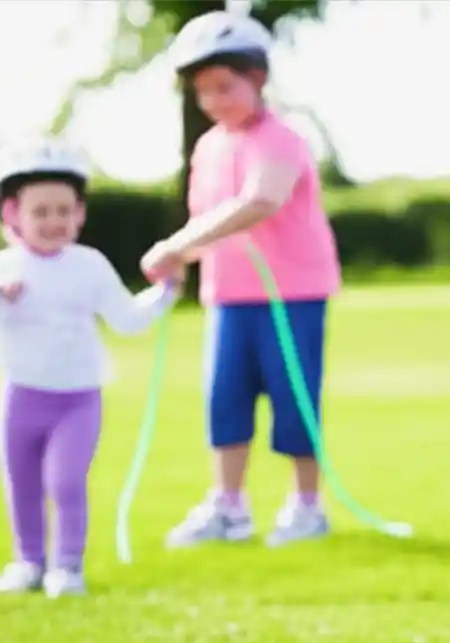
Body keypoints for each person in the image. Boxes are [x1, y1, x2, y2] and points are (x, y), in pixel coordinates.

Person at [139, 10, 342, 549]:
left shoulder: (282, 139)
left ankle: (307, 506)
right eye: (203, 92)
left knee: (293, 398)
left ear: (257, 79)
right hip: (228, 296)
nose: (214, 101)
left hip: (292, 294)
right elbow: (205, 221)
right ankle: (228, 506)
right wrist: (179, 261)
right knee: (224, 400)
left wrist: (175, 244)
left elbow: (260, 202)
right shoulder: (208, 147)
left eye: (224, 87)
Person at [0, 137, 179, 597]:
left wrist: (166, 293)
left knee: (65, 480)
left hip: (78, 398)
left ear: (79, 213)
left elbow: (127, 320)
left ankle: (67, 566)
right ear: (12, 213)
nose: (55, 222)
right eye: (41, 212)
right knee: (22, 483)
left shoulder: (89, 266)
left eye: (65, 210)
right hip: (20, 396)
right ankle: (28, 562)